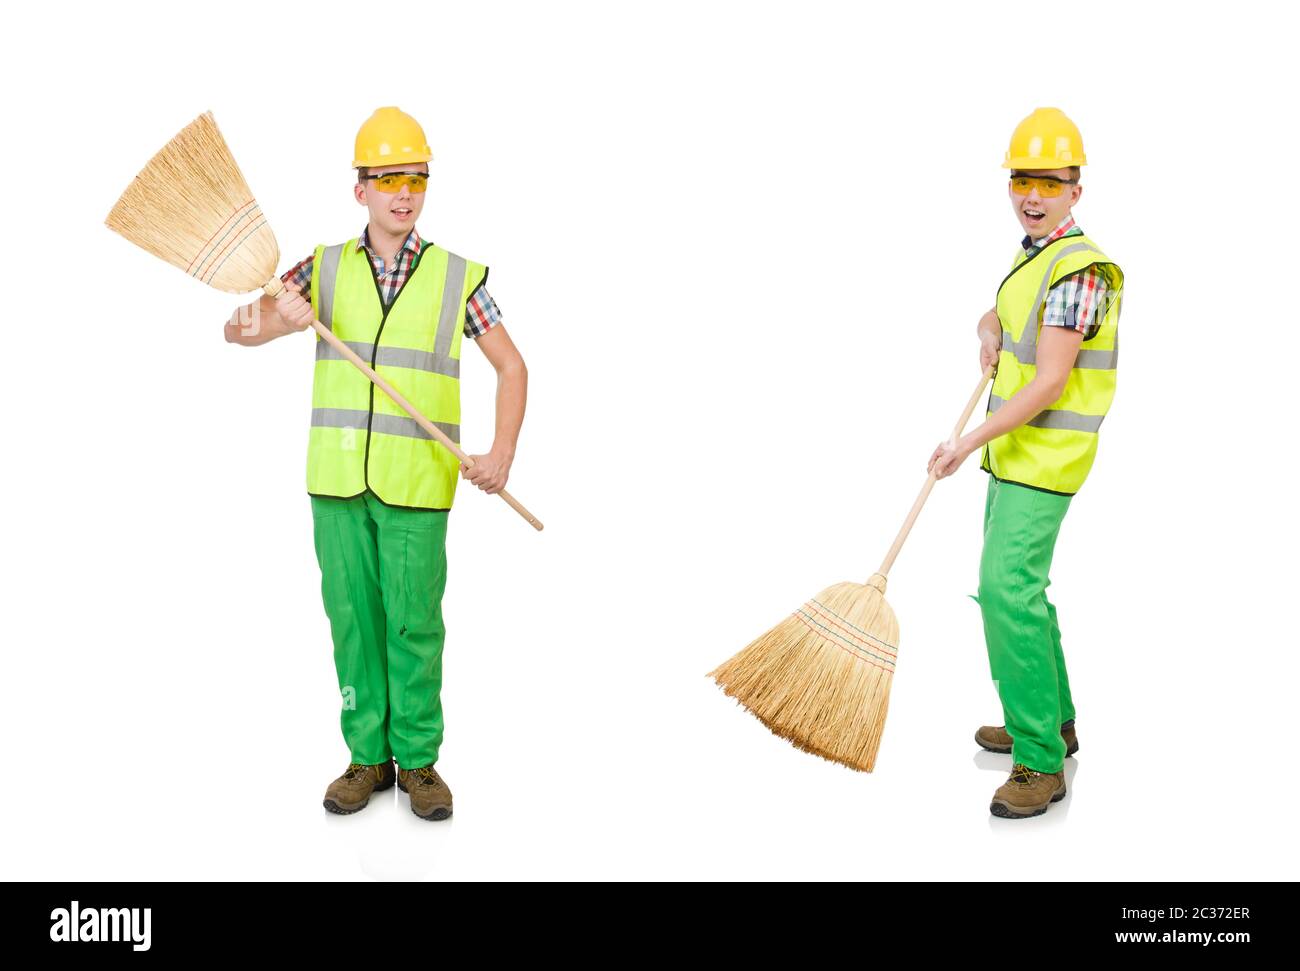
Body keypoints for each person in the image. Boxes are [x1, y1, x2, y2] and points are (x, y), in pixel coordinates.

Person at [224, 106, 529, 820]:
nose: (404, 191)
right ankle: (367, 758)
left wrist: (500, 454)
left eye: (415, 177)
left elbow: (512, 368)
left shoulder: (458, 277)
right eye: (387, 177)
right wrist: (276, 317)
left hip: (418, 484)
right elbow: (234, 329)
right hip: (335, 482)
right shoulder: (320, 268)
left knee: (413, 622)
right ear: (358, 188)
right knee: (353, 618)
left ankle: (419, 761)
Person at [926, 107, 1123, 818]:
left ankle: (1040, 760)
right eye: (1021, 180)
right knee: (1015, 593)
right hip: (1014, 455)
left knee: (1005, 588)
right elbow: (1003, 317)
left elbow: (1047, 383)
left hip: (1044, 457)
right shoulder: (1035, 253)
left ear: (1076, 188)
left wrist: (964, 443)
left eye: (1048, 181)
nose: (1031, 194)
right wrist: (987, 331)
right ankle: (1050, 717)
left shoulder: (1077, 270)